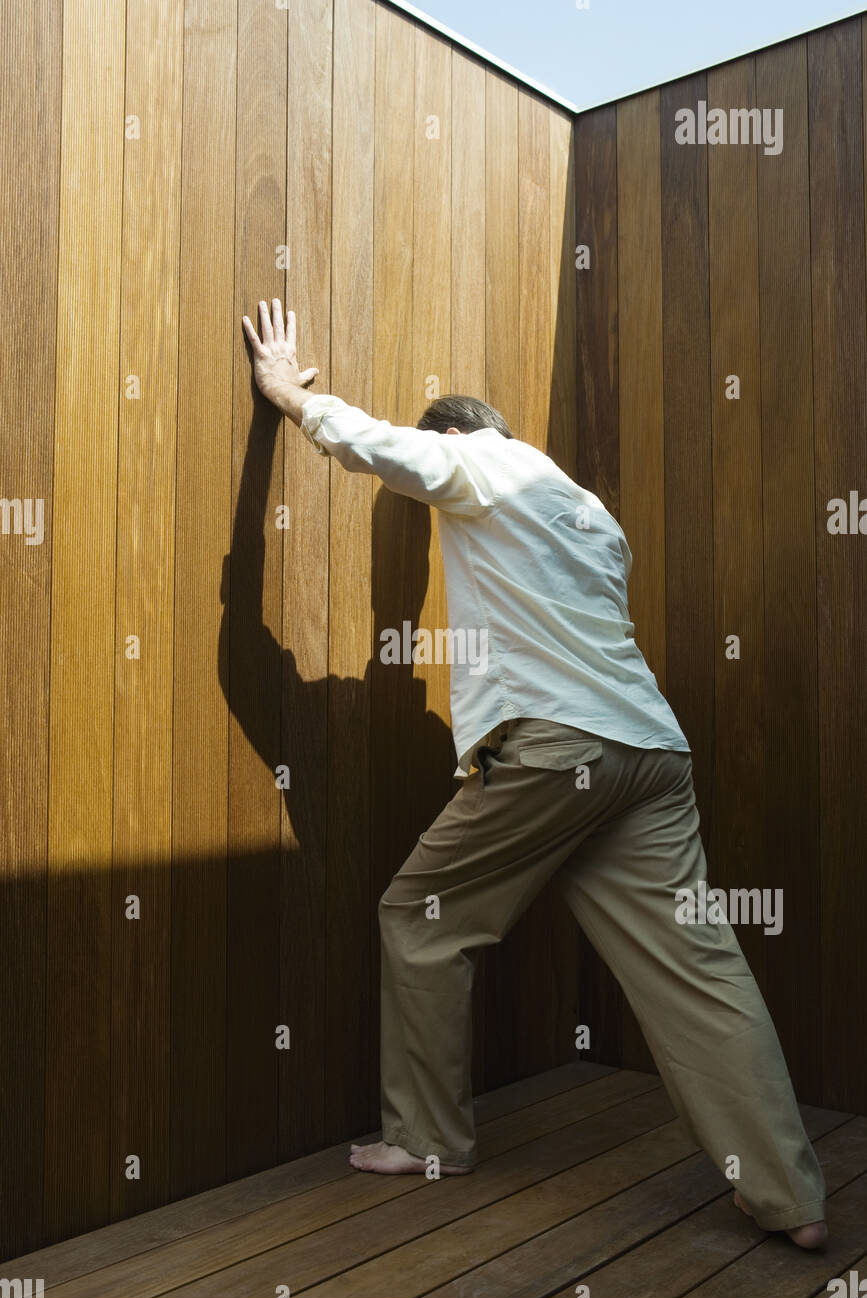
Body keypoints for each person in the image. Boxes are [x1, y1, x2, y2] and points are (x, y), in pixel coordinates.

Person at [242, 299, 828, 1249]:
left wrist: (294, 402)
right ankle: (791, 1201)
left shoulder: (485, 459)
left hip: (560, 750)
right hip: (649, 754)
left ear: (461, 434)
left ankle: (429, 1138)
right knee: (700, 973)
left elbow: (406, 455)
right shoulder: (593, 515)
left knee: (418, 918)